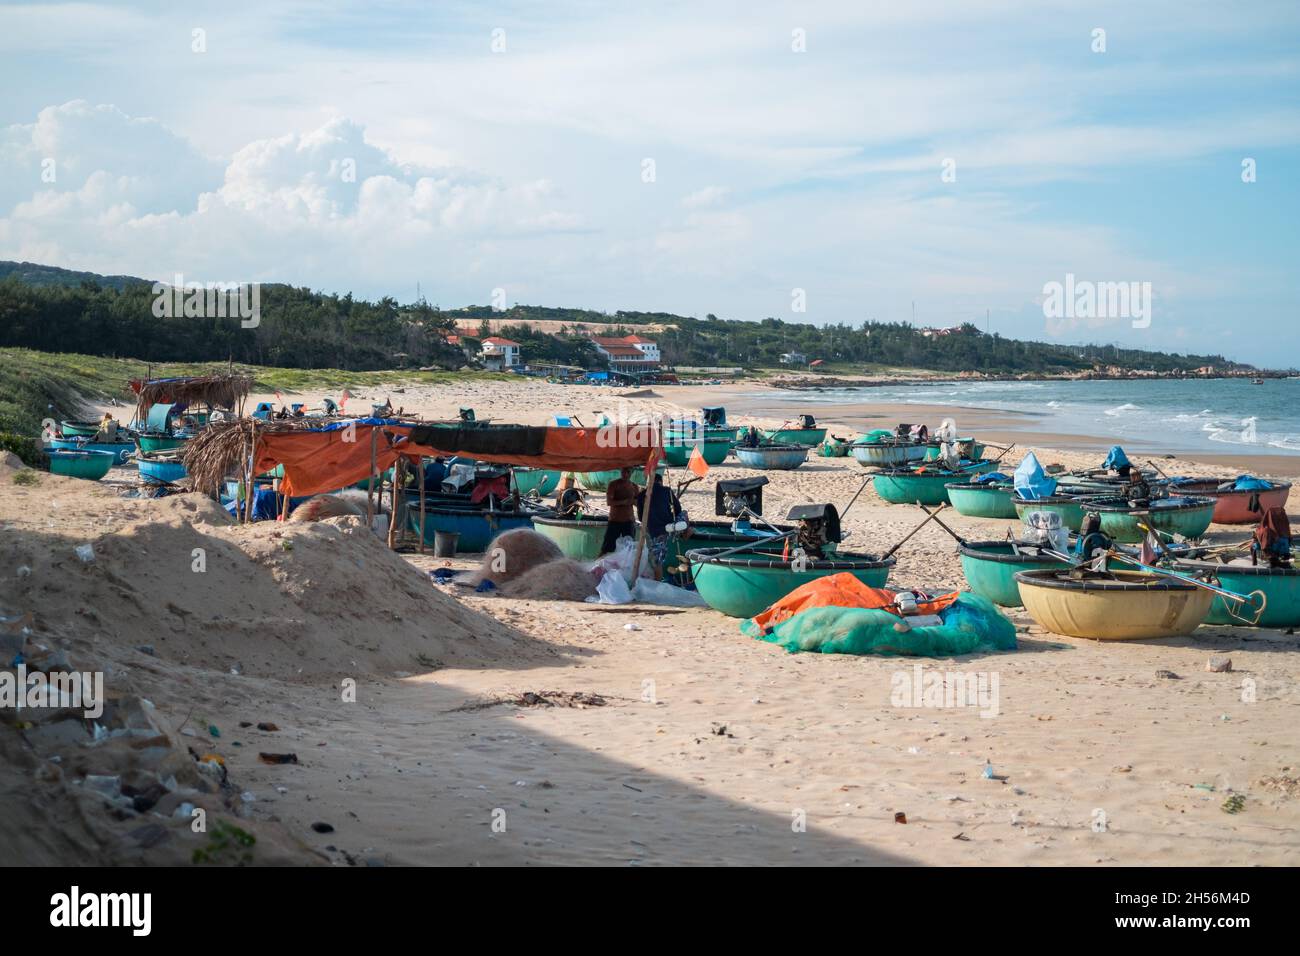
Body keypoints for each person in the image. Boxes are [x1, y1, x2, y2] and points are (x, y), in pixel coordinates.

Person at [635, 473, 682, 580]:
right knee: (658, 560)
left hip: (651, 529)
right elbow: (678, 508)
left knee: (655, 557)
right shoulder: (666, 490)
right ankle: (658, 582)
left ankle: (656, 581)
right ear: (660, 481)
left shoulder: (642, 494)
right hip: (665, 528)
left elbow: (641, 517)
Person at [601, 467, 638, 555]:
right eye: (623, 472)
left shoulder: (634, 486)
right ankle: (599, 564)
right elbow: (609, 502)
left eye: (627, 472)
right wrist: (624, 502)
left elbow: (637, 503)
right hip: (615, 521)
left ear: (631, 473)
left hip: (629, 521)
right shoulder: (613, 484)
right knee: (607, 548)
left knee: (629, 548)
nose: (625, 474)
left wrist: (637, 501)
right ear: (621, 472)